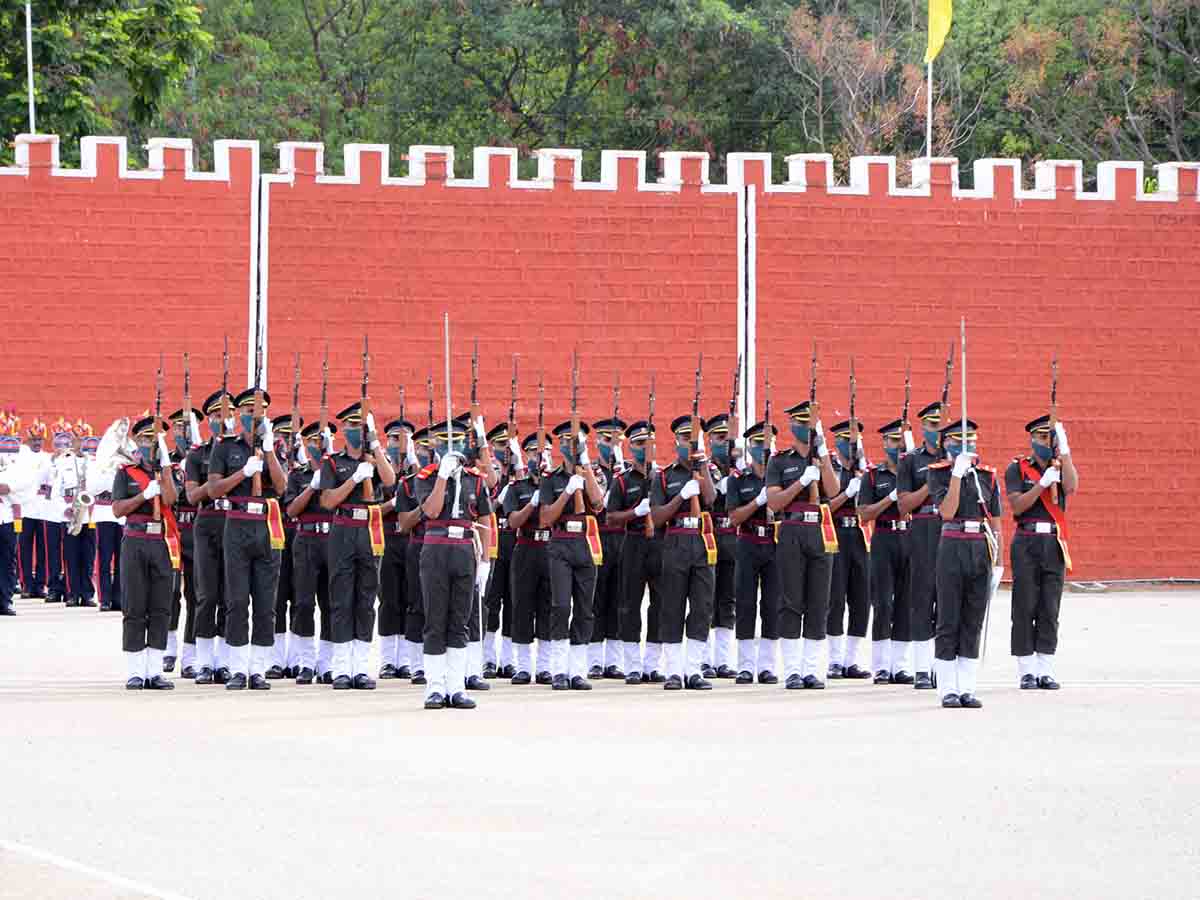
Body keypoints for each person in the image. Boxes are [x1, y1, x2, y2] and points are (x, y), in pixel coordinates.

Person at [206, 388, 288, 691]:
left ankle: (259, 669)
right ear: (239, 415)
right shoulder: (225, 448)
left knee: (266, 603)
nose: (255, 417)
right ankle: (238, 668)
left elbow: (281, 487)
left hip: (267, 525)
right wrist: (243, 472)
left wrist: (268, 453)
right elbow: (214, 490)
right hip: (237, 524)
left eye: (260, 412)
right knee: (238, 600)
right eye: (250, 412)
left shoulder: (274, 446)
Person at [416, 419, 492, 709]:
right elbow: (432, 511)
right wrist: (443, 478)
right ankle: (435, 687)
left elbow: (484, 518)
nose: (453, 445)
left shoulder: (475, 478)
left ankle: (456, 687)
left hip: (463, 549)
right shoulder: (426, 476)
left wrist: (485, 559)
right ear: (435, 444)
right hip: (436, 547)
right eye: (446, 440)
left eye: (458, 439)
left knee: (460, 621)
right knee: (436, 620)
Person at [928, 419, 1003, 709]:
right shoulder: (939, 475)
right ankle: (947, 688)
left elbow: (995, 522)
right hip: (952, 545)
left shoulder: (986, 476)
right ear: (946, 444)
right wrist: (957, 476)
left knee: (973, 619)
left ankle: (967, 687)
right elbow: (947, 512)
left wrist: (999, 562)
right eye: (958, 440)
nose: (966, 444)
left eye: (970, 439)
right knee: (949, 618)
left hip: (979, 547)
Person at [766, 402, 841, 689]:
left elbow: (834, 491)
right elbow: (774, 502)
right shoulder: (780, 461)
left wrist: (822, 457)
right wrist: (800, 482)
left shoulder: (824, 458)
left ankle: (811, 669)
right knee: (791, 600)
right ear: (793, 426)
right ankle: (793, 670)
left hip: (820, 530)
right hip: (792, 529)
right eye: (802, 424)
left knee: (819, 601)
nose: (807, 429)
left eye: (811, 424)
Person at [1006, 416, 1077, 690]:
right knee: (1025, 605)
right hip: (1026, 540)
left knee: (1050, 607)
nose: (1047, 443)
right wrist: (1042, 484)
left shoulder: (1061, 467)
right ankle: (1026, 669)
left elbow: (1071, 486)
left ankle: (1045, 668)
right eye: (1043, 437)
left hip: (1054, 542)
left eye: (1051, 438)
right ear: (1033, 439)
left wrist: (1066, 451)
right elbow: (1018, 506)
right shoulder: (1018, 468)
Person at [649, 415, 718, 690]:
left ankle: (693, 670)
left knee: (702, 607)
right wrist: (681, 497)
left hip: (702, 540)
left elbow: (711, 499)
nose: (687, 444)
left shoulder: (706, 470)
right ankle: (674, 671)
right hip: (676, 540)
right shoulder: (664, 477)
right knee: (673, 606)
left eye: (692, 439)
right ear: (675, 441)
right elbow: (656, 517)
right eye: (683, 439)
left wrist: (701, 470)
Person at [110, 415, 178, 690]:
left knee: (161, 607)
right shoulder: (126, 473)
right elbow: (117, 509)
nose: (151, 443)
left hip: (161, 542)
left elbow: (172, 500)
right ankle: (135, 670)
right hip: (136, 541)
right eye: (147, 438)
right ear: (137, 441)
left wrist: (165, 470)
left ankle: (154, 670)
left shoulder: (167, 471)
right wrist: (143, 496)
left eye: (156, 439)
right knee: (135, 606)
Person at [538, 420, 605, 690]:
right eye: (565, 441)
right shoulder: (551, 479)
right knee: (561, 605)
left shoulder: (594, 473)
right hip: (561, 543)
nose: (570, 446)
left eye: (576, 441)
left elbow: (598, 503)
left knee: (584, 609)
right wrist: (567, 492)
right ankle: (558, 670)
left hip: (586, 543)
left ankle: (577, 671)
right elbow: (545, 518)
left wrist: (586, 469)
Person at [857, 419, 913, 685]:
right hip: (883, 538)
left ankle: (899, 665)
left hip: (909, 537)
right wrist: (890, 498)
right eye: (892, 441)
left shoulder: (914, 474)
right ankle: (880, 666)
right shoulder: (872, 476)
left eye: (901, 441)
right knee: (882, 603)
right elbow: (864, 514)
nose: (897, 446)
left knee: (905, 604)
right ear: (884, 443)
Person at [897, 402, 948, 690]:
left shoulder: (957, 459)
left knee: (947, 601)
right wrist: (931, 481)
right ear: (922, 428)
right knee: (921, 599)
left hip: (948, 529)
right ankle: (921, 669)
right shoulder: (910, 461)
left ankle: (942, 665)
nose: (936, 431)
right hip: (921, 529)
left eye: (940, 425)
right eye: (931, 425)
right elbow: (904, 505)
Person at [725, 420, 780, 683]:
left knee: (772, 604)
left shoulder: (781, 477)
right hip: (747, 541)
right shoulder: (739, 479)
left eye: (766, 442)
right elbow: (734, 518)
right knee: (745, 603)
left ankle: (767, 665)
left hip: (775, 542)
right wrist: (758, 501)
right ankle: (746, 665)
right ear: (749, 447)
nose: (763, 448)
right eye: (757, 443)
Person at [606, 419, 660, 684]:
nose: (644, 448)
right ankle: (632, 665)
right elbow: (611, 518)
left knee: (661, 604)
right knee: (629, 604)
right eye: (639, 443)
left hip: (660, 543)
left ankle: (652, 663)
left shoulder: (663, 476)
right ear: (630, 447)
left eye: (648, 443)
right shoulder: (622, 481)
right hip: (634, 542)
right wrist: (635, 513)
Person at [283, 419, 337, 684]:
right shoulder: (297, 475)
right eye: (311, 442)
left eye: (320, 441)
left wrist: (327, 478)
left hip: (333, 540)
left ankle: (326, 663)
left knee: (330, 604)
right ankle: (305, 662)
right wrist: (312, 487)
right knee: (303, 603)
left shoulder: (337, 471)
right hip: (305, 540)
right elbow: (291, 510)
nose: (316, 446)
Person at [187, 390, 232, 683]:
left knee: (232, 595)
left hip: (233, 522)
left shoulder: (240, 450)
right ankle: (204, 661)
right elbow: (192, 496)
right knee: (206, 595)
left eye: (226, 415)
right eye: (216, 416)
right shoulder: (197, 454)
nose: (222, 420)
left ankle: (225, 660)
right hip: (207, 522)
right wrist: (216, 485)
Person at [824, 419, 872, 680]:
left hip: (860, 534)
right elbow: (824, 508)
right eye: (845, 440)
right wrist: (846, 494)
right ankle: (834, 660)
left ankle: (851, 660)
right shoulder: (829, 468)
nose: (850, 446)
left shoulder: (864, 470)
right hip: (836, 533)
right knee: (836, 597)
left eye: (854, 441)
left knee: (861, 599)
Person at [505, 433, 548, 684]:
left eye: (543, 452)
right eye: (533, 452)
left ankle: (544, 666)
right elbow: (512, 522)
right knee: (522, 607)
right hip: (526, 547)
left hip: (551, 548)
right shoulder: (517, 489)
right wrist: (531, 504)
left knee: (548, 606)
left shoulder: (556, 484)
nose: (539, 457)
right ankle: (522, 666)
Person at [378, 416, 419, 679]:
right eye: (394, 438)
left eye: (403, 439)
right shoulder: (378, 470)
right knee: (388, 600)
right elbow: (370, 510)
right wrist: (393, 504)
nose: (398, 444)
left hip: (410, 539)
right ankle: (387, 660)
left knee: (410, 598)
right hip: (386, 538)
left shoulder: (418, 473)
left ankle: (405, 659)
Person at [589, 416, 626, 678]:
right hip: (598, 537)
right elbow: (599, 503)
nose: (611, 446)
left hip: (622, 539)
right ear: (597, 441)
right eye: (606, 440)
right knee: (595, 597)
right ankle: (592, 658)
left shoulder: (629, 472)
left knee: (618, 598)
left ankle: (613, 660)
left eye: (616, 441)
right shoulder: (591, 471)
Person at [165, 407, 201, 672]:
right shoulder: (164, 461)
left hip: (199, 532)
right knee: (170, 593)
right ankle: (167, 648)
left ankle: (190, 654)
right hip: (173, 532)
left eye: (188, 427)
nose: (183, 433)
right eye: (178, 428)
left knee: (197, 594)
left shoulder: (205, 459)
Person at [703, 414, 738, 679]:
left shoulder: (739, 468)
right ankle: (703, 658)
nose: (722, 443)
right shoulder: (705, 467)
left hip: (732, 539)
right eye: (718, 438)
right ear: (709, 439)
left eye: (727, 438)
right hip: (708, 536)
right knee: (704, 599)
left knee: (727, 600)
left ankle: (723, 660)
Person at [267, 414, 299, 678]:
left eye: (290, 436)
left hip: (300, 536)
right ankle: (275, 658)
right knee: (276, 598)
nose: (286, 441)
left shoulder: (305, 464)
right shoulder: (270, 463)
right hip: (275, 532)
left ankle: (299, 657)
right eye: (281, 435)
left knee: (302, 599)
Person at [51, 422, 97, 608]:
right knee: (70, 557)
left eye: (85, 439)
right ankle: (72, 593)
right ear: (72, 441)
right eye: (78, 439)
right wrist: (64, 508)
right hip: (70, 515)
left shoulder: (94, 463)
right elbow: (55, 492)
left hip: (90, 515)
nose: (81, 443)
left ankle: (87, 594)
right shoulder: (63, 462)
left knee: (88, 556)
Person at [0, 412, 32, 616]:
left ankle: (4, 601)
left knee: (7, 560)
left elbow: (25, 481)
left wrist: (8, 487)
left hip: (8, 516)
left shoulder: (22, 456)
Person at [17, 419, 50, 601]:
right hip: (25, 508)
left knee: (43, 549)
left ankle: (40, 584)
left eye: (40, 440)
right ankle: (26, 585)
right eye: (34, 439)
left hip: (43, 509)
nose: (37, 443)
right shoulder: (20, 456)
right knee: (24, 549)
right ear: (27, 440)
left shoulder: (47, 458)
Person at [43, 420, 73, 604]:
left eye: (65, 443)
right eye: (58, 443)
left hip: (68, 513)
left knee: (69, 553)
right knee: (52, 553)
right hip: (51, 513)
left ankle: (70, 588)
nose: (62, 447)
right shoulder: (47, 461)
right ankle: (54, 588)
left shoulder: (73, 462)